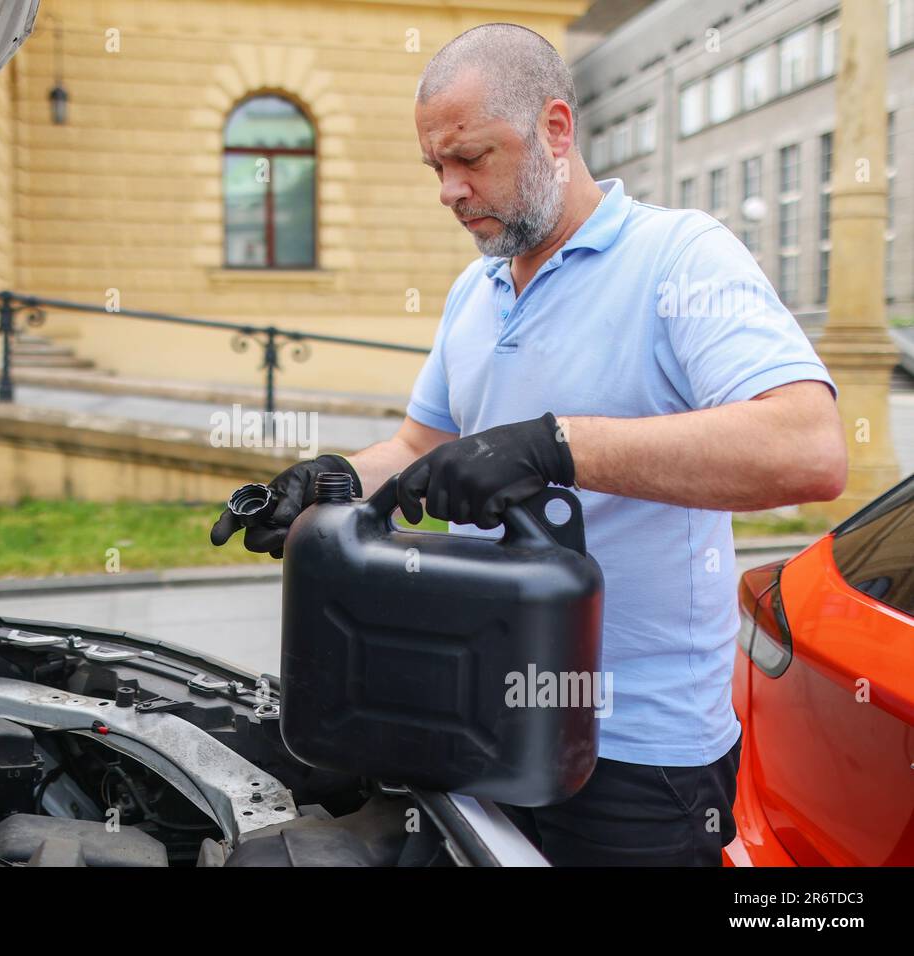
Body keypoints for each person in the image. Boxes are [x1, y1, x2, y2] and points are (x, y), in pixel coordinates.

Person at [210, 23, 849, 866]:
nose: (448, 189)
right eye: (435, 167)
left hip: (635, 753)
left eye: (470, 158)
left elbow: (807, 447)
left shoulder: (680, 258)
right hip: (475, 714)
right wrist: (331, 481)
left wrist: (557, 447)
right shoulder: (474, 291)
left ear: (556, 128)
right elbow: (422, 442)